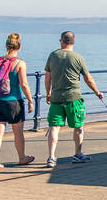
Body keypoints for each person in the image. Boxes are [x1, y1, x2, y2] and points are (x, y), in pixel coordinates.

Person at [44, 31, 103, 167]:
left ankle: (51, 157)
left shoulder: (53, 55)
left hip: (56, 97)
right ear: (73, 42)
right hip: (74, 97)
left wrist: (48, 93)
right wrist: (97, 92)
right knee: (78, 126)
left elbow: (48, 77)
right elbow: (88, 79)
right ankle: (77, 154)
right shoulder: (78, 58)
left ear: (61, 41)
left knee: (54, 127)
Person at [0, 33, 34, 170]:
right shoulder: (20, 63)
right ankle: (22, 158)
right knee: (18, 132)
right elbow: (24, 84)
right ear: (19, 46)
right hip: (13, 102)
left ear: (6, 45)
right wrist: (31, 100)